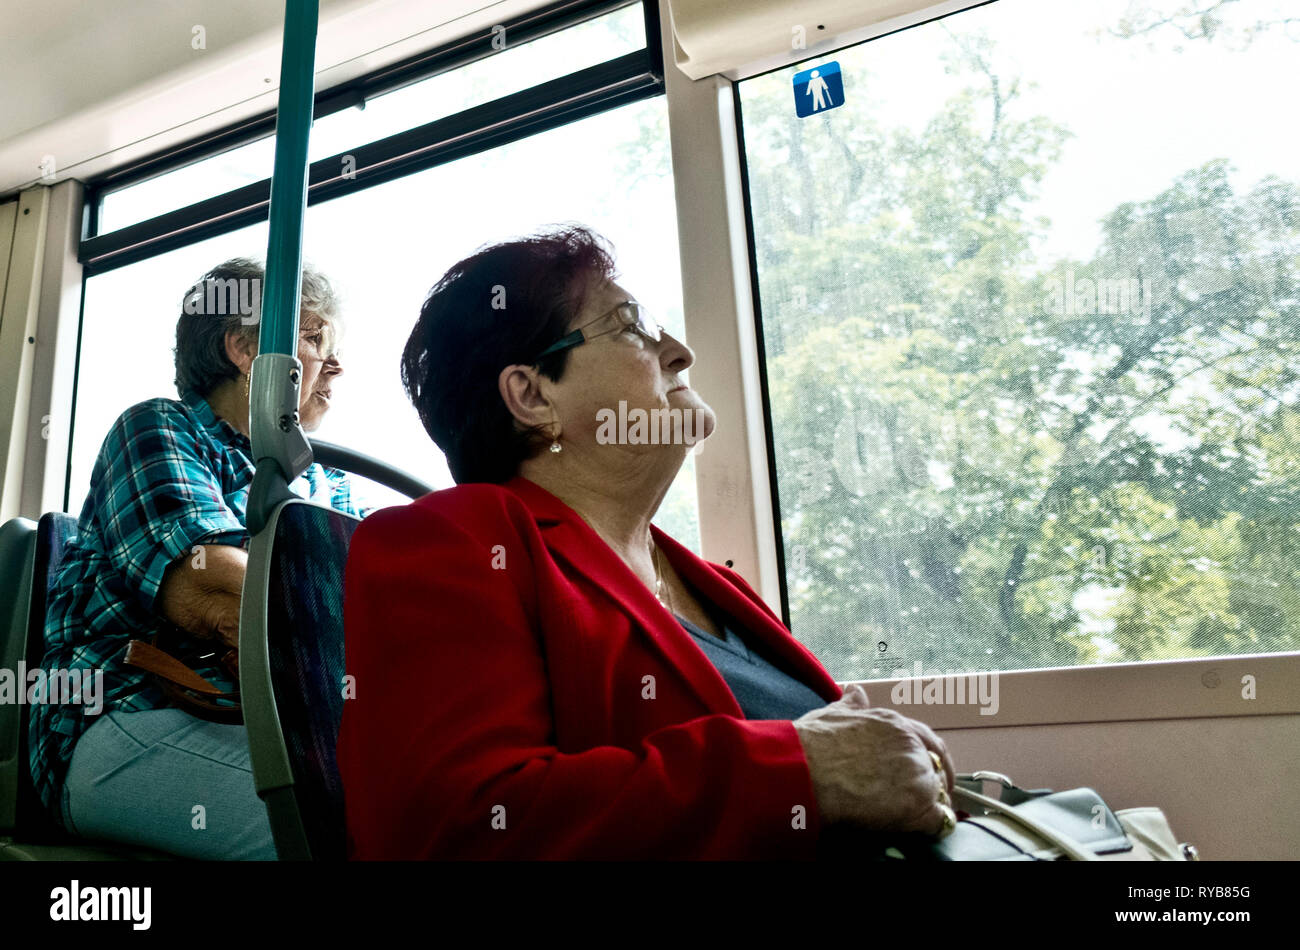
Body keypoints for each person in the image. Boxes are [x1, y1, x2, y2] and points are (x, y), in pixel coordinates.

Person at [337, 224, 957, 859]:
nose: (680, 351)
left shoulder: (720, 588)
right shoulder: (447, 541)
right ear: (532, 394)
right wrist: (801, 770)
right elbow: (450, 829)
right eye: (632, 325)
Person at [29, 258, 363, 860]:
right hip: (128, 713)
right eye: (315, 338)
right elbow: (211, 588)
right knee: (363, 825)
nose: (336, 363)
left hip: (275, 729)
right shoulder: (157, 429)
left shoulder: (329, 487)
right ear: (242, 347)